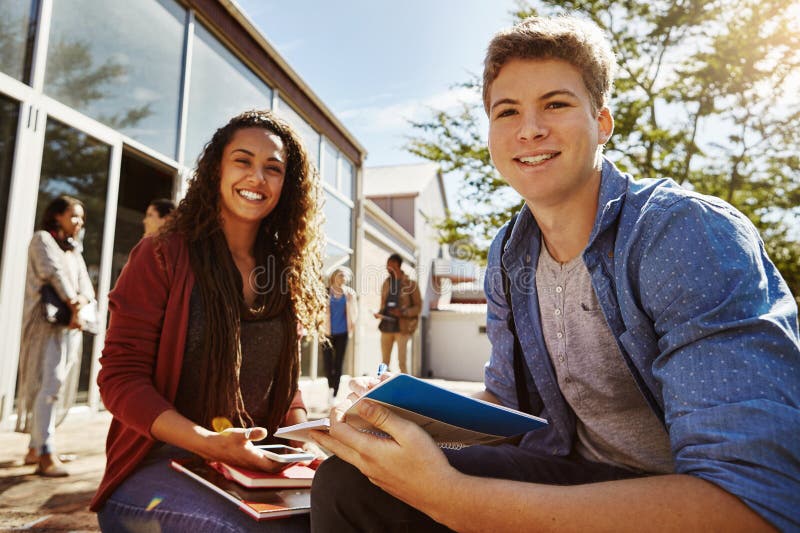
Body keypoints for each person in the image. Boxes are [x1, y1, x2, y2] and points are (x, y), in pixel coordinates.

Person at [309, 16, 800, 532]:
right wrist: (396, 411)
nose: (529, 129)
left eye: (556, 104)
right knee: (351, 478)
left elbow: (751, 504)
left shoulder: (685, 233)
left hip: (677, 496)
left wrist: (451, 498)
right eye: (507, 111)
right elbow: (505, 404)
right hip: (576, 472)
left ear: (602, 122)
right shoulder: (509, 253)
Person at [91, 110, 327, 532]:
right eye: (242, 160)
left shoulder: (282, 270)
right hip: (157, 466)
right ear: (217, 169)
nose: (257, 177)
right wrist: (209, 443)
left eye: (273, 168)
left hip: (249, 466)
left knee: (336, 517)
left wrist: (304, 443)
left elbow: (282, 388)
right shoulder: (162, 254)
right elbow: (120, 379)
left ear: (286, 184)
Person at [15, 195, 96, 477]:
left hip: (70, 326)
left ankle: (35, 447)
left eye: (82, 217)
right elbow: (54, 274)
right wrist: (74, 304)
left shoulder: (73, 250)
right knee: (48, 385)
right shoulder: (42, 240)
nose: (79, 222)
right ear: (57, 215)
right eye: (74, 215)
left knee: (55, 386)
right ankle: (45, 453)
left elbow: (87, 287)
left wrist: (79, 305)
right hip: (45, 326)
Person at [373, 253, 421, 374]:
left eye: (389, 265)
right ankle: (382, 384)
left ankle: (407, 385)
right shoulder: (386, 283)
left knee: (402, 362)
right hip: (386, 327)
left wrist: (403, 312)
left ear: (396, 265)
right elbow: (383, 304)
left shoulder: (411, 284)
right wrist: (379, 313)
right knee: (384, 363)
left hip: (402, 328)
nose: (386, 268)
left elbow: (418, 307)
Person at [321, 267, 357, 406]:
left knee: (339, 363)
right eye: (341, 275)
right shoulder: (325, 292)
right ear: (334, 276)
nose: (343, 278)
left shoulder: (350, 294)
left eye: (345, 276)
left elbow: (354, 313)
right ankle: (330, 388)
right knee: (327, 363)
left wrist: (352, 327)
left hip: (343, 333)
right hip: (326, 333)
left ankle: (334, 393)